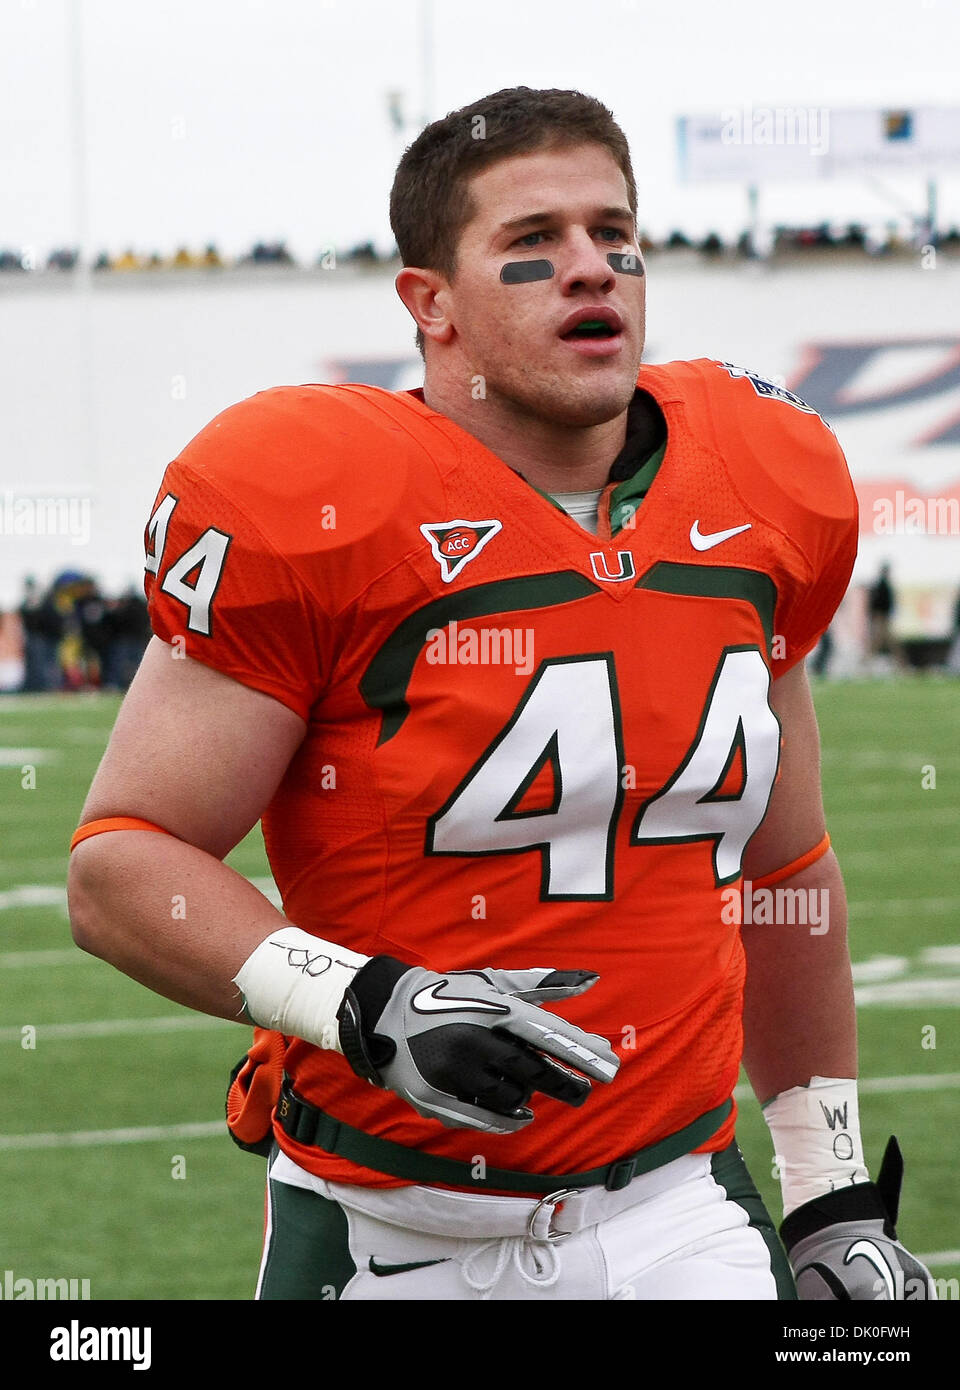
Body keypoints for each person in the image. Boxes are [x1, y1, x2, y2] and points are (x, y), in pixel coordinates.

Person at [66, 87, 934, 1302]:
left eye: (613, 234)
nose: (590, 269)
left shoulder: (758, 484)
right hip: (389, 1226)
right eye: (533, 246)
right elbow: (119, 863)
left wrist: (830, 1190)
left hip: (679, 1208)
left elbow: (787, 874)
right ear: (431, 303)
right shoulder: (320, 500)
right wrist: (364, 1000)